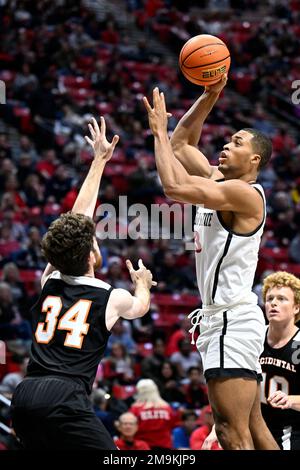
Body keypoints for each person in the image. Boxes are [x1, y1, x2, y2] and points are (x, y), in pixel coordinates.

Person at [143, 82, 279, 450]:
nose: (225, 145)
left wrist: (156, 130)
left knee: (230, 431)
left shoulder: (241, 194)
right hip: (235, 318)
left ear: (254, 160)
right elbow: (181, 146)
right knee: (253, 426)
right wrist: (210, 94)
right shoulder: (219, 181)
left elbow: (173, 185)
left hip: (229, 321)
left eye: (237, 143)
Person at [10, 117, 156, 450]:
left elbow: (77, 221)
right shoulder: (112, 297)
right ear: (90, 255)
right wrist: (143, 282)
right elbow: (141, 307)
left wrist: (98, 161)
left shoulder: (50, 278)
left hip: (26, 392)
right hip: (65, 396)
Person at [260, 271, 300, 450]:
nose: (273, 303)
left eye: (282, 298)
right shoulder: (253, 338)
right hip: (254, 427)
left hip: (290, 431)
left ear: (296, 307)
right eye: (269, 298)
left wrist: (291, 400)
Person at [129, 378, 174, 450]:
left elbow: (131, 428)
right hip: (164, 446)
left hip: (142, 447)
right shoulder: (167, 408)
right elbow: (172, 425)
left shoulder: (135, 409)